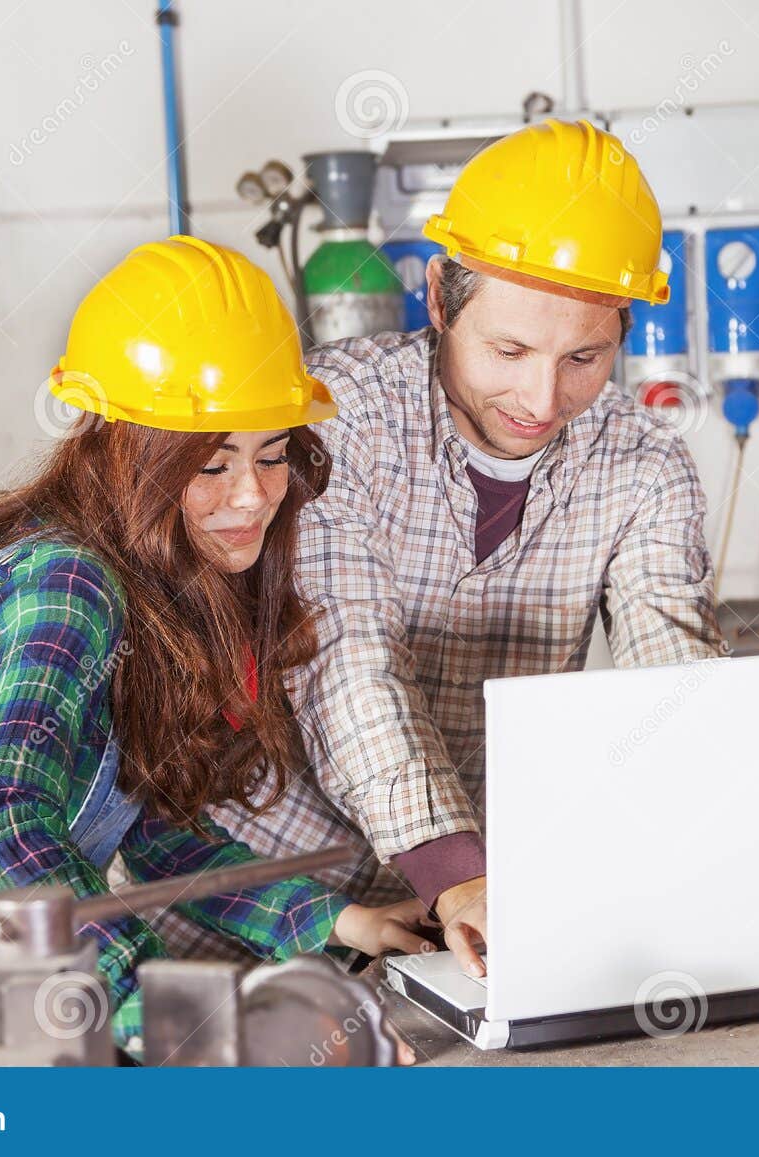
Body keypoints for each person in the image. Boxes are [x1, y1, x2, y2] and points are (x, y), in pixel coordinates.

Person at [0, 236, 431, 1067]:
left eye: (272, 454)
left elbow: (162, 834)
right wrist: (173, 1019)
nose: (253, 494)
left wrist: (341, 920)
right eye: (212, 463)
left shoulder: (141, 592)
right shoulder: (65, 586)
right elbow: (3, 826)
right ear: (128, 451)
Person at [194, 120, 724, 978]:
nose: (541, 397)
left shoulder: (646, 464)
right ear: (440, 298)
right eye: (509, 350)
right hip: (265, 896)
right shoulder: (339, 416)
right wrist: (457, 870)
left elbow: (673, 677)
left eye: (584, 355)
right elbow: (347, 664)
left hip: (465, 921)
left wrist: (718, 825)